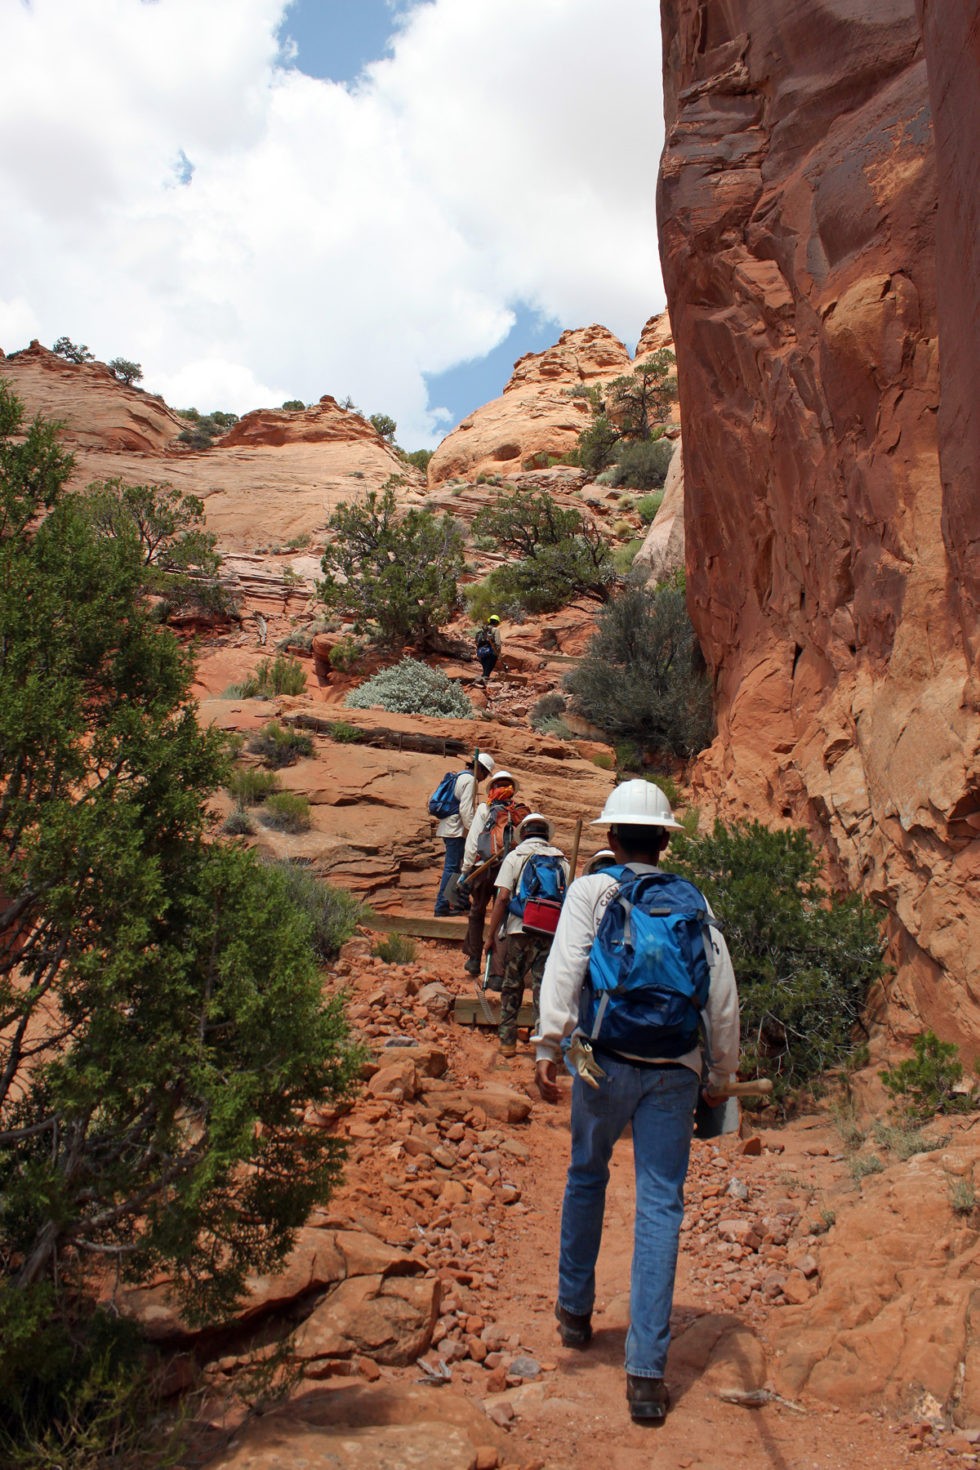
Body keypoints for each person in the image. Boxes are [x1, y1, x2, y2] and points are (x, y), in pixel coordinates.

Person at [533, 779, 740, 1425]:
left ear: (612, 836)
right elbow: (722, 996)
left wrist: (549, 1046)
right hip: (675, 1068)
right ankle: (647, 1376)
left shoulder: (594, 890)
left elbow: (565, 970)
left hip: (600, 1057)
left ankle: (574, 1312)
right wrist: (720, 1074)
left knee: (586, 1173)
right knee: (659, 1206)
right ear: (664, 839)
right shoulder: (691, 898)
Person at [483, 813, 569, 1058]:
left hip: (519, 930)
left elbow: (502, 898)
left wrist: (491, 935)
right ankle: (545, 1047)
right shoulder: (562, 860)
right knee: (544, 988)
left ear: (524, 833)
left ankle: (507, 1042)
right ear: (546, 835)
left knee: (512, 985)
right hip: (550, 932)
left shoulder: (516, 856)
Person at [458, 770, 527, 979]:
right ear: (511, 790)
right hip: (509, 868)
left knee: (477, 911)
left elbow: (473, 841)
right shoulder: (517, 812)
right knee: (502, 916)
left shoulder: (485, 808)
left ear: (493, 787)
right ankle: (497, 972)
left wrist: (465, 869)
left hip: (485, 868)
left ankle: (473, 959)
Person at [433, 752, 495, 916]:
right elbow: (465, 810)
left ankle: (456, 903)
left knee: (457, 867)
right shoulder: (470, 780)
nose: (484, 778)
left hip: (449, 827)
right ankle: (442, 906)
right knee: (452, 868)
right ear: (480, 769)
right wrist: (475, 831)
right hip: (456, 830)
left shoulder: (460, 775)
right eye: (485, 774)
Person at [475, 614, 502, 683]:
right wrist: (498, 654)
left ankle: (482, 680)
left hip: (481, 652)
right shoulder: (495, 630)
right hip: (491, 652)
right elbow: (498, 643)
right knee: (488, 669)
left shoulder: (483, 630)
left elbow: (478, 641)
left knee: (485, 670)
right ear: (497, 623)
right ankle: (484, 683)